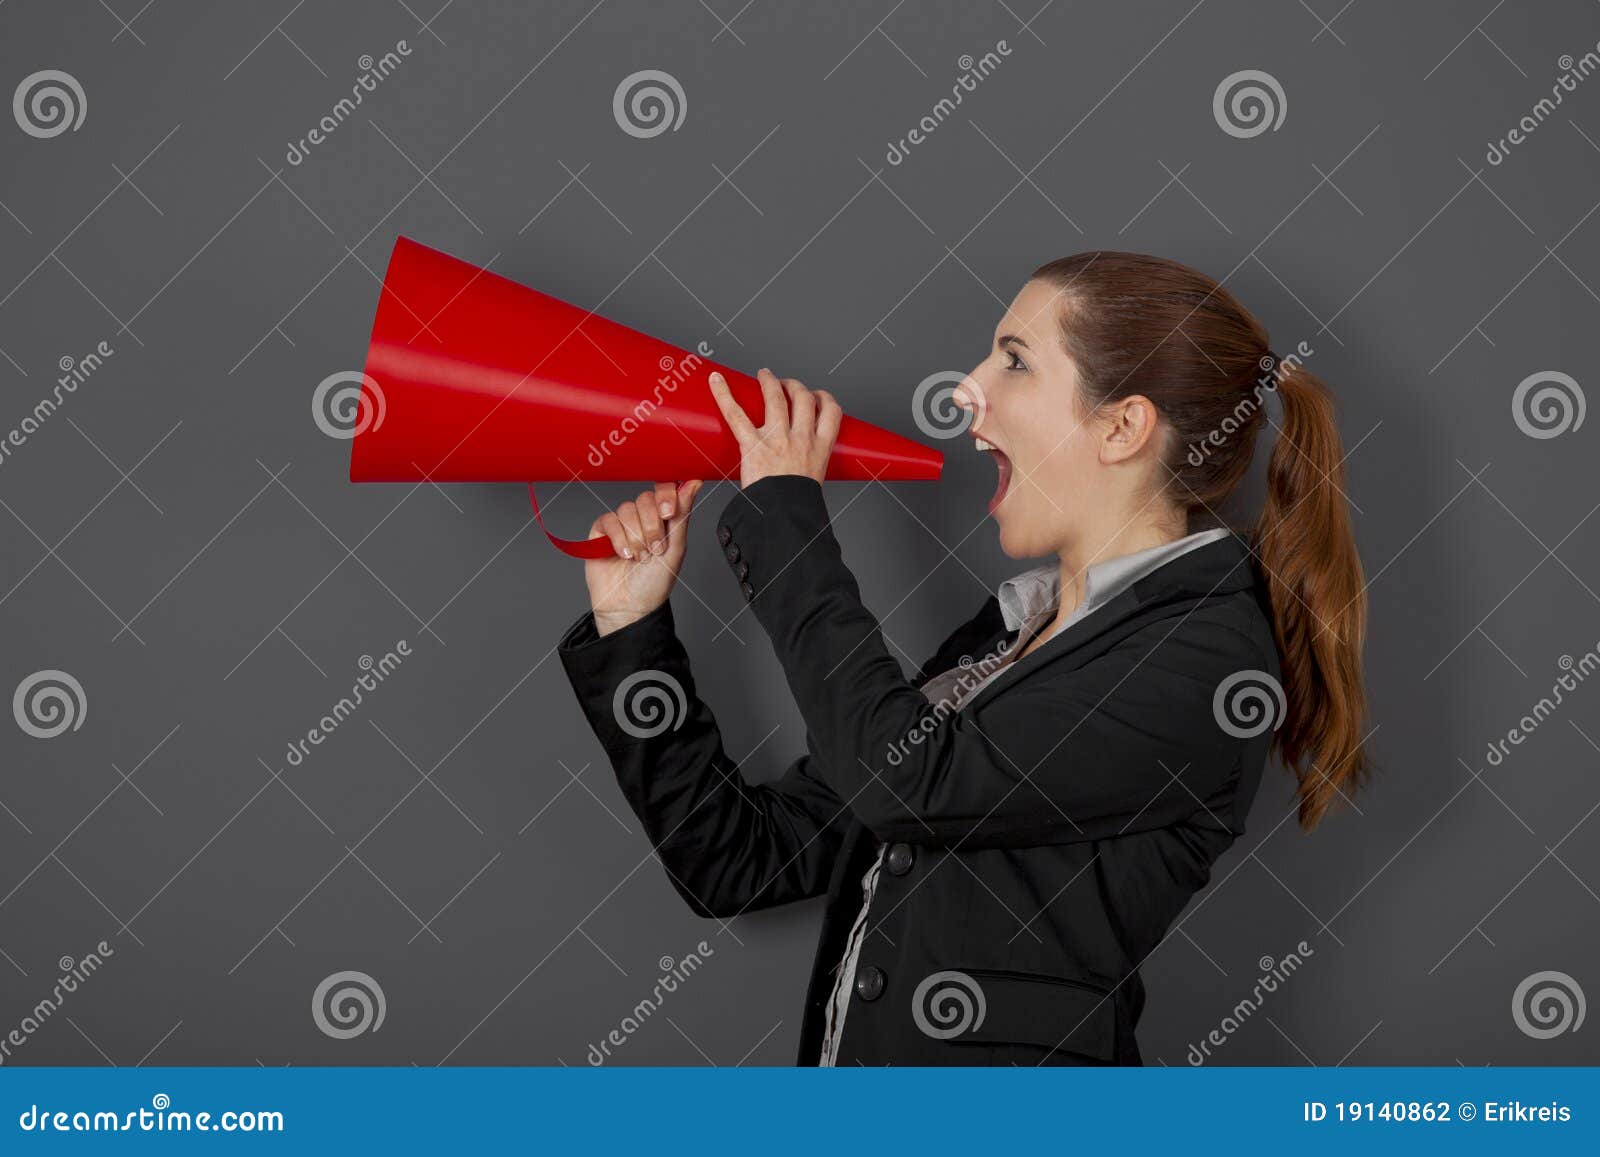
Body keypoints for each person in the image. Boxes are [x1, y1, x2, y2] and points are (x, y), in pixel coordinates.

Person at [557, 251, 1370, 1065]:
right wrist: (632, 627)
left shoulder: (1205, 655)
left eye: (1014, 361)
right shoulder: (1014, 631)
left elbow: (907, 780)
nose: (964, 390)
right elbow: (741, 861)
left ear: (1122, 427)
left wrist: (784, 520)